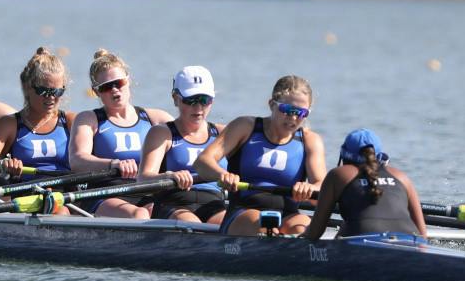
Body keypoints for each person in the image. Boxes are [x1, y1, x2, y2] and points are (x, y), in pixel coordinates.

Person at [0, 48, 136, 186]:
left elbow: (93, 158)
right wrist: (1, 165)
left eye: (57, 92)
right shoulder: (8, 125)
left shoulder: (72, 122)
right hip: (25, 196)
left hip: (65, 193)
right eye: (44, 91)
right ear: (29, 88)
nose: (51, 98)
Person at [193, 75, 326, 236]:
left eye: (301, 112)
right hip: (243, 212)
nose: (293, 117)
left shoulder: (310, 140)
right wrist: (223, 175)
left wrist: (310, 188)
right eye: (286, 110)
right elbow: (202, 161)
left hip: (288, 214)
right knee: (261, 225)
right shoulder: (245, 127)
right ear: (272, 105)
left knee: (304, 229)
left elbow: (321, 188)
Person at [69, 49, 187, 220]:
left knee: (169, 214)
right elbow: (77, 160)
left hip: (148, 192)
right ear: (96, 92)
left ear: (128, 80)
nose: (115, 90)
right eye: (106, 87)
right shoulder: (89, 119)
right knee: (140, 214)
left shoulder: (156, 118)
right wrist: (112, 164)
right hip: (106, 195)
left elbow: (191, 142)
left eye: (119, 82)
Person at [138, 65, 227, 224]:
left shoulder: (223, 134)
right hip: (173, 205)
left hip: (215, 205)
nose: (198, 108)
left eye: (204, 100)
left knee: (237, 225)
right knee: (193, 225)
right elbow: (143, 179)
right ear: (175, 98)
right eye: (190, 100)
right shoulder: (162, 134)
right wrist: (169, 176)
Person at [302, 129, 426, 240]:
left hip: (362, 246)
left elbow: (314, 233)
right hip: (411, 242)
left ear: (344, 155)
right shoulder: (401, 176)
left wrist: (293, 243)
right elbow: (423, 235)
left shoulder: (339, 174)